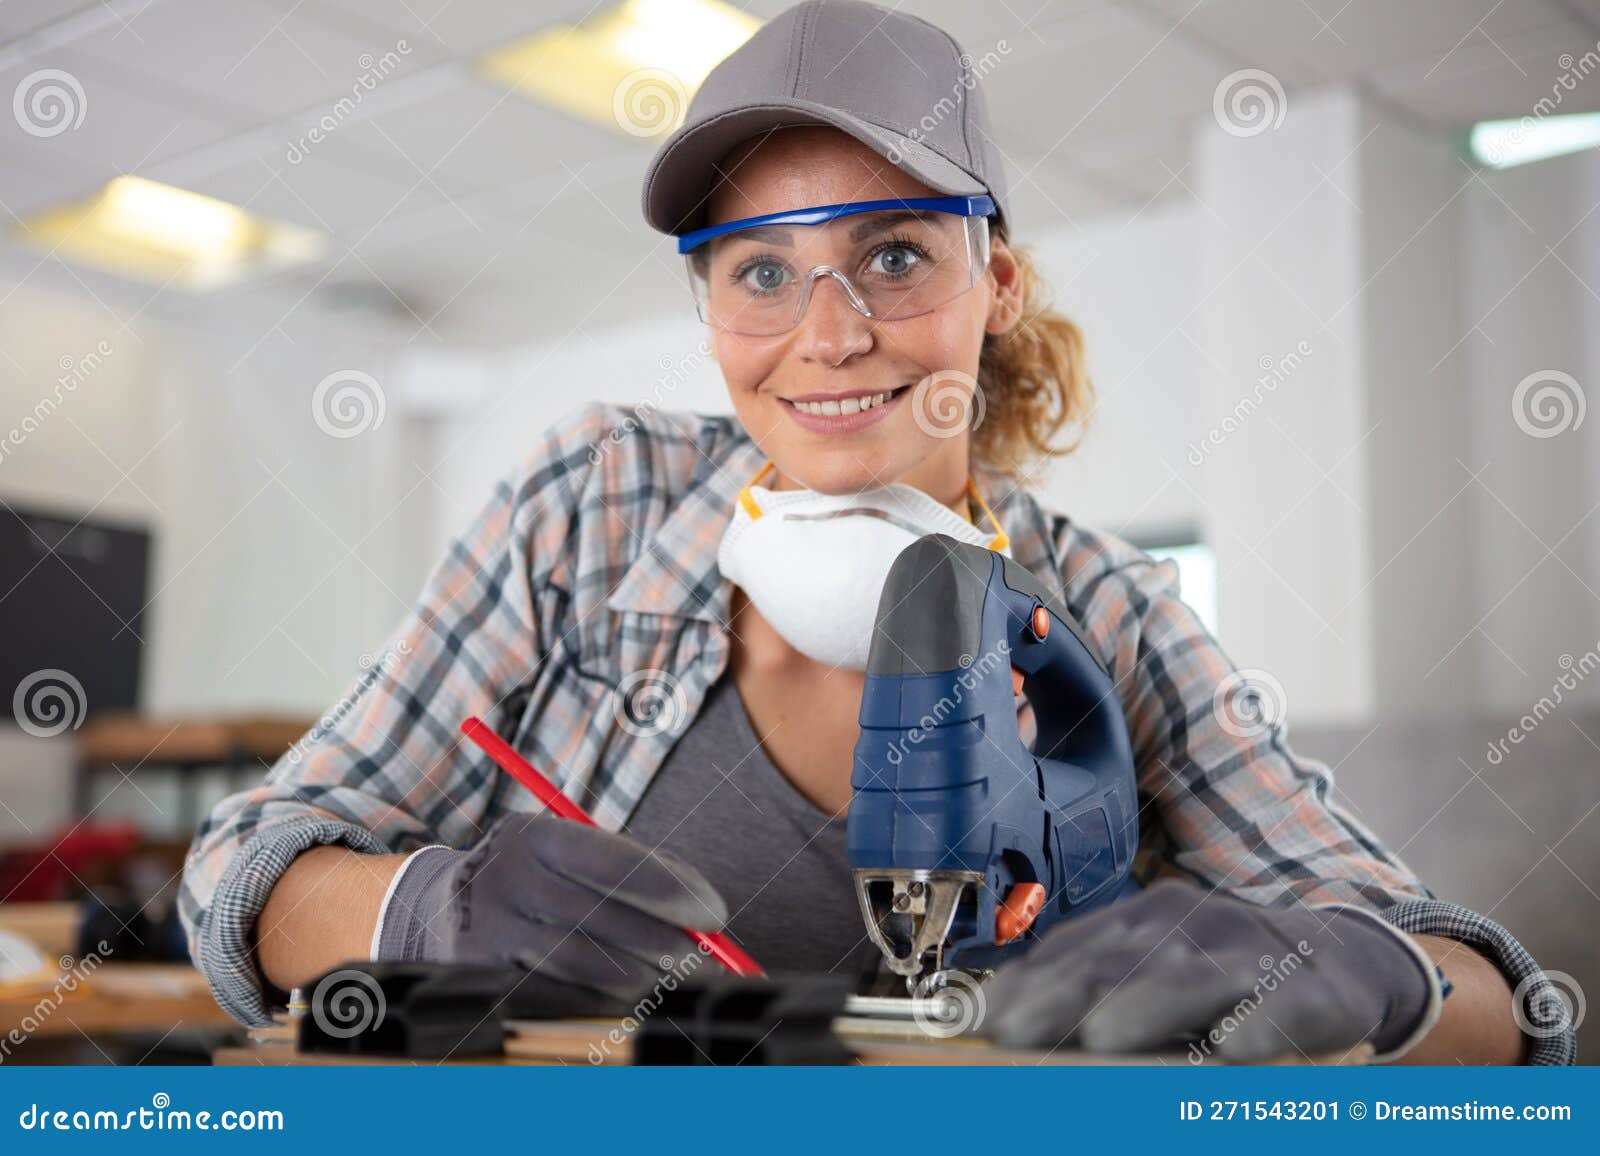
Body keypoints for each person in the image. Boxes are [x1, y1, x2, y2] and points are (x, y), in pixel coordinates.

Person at [179, 0, 1571, 1064]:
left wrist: (1367, 972)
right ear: (708, 309)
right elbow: (245, 867)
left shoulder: (1115, 611)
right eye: (762, 272)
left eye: (893, 256)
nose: (829, 336)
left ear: (998, 281)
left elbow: (1504, 1003)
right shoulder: (590, 504)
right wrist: (419, 907)